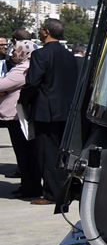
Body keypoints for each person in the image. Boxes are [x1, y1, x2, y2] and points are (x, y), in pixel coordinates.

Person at [19, 19, 78, 206]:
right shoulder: (69, 55)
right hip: (66, 110)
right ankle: (64, 189)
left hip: (46, 111)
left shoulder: (40, 54)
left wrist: (23, 100)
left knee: (47, 153)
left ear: (46, 32)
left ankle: (52, 193)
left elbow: (33, 83)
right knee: (62, 152)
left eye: (41, 28)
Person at [0, 40, 40, 198]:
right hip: (14, 115)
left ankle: (29, 187)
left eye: (16, 50)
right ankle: (26, 185)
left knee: (24, 153)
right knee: (22, 153)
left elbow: (2, 85)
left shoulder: (24, 67)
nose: (12, 53)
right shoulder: (24, 66)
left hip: (16, 116)